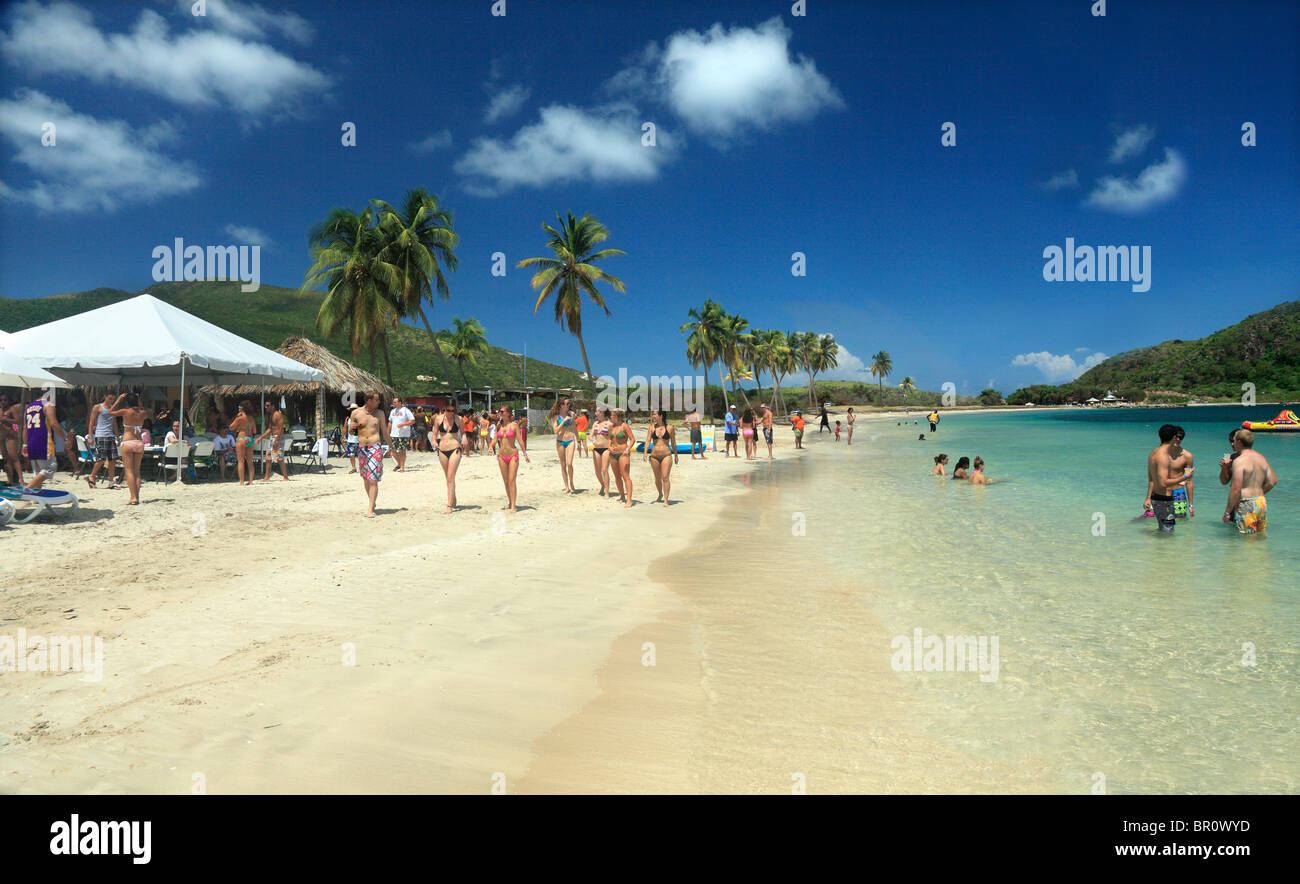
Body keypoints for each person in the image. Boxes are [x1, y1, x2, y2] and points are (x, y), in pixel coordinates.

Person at [1222, 429, 1278, 535]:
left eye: (1234, 440)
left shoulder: (1240, 461)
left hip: (1246, 503)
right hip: (1261, 502)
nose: (1232, 443)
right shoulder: (1261, 458)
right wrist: (1257, 494)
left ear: (1239, 442)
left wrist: (1227, 512)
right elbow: (1272, 481)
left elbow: (1236, 489)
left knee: (1246, 541)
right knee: (1260, 537)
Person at [1144, 424, 1193, 533]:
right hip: (1164, 500)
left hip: (1157, 498)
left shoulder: (1153, 452)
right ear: (1174, 437)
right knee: (1167, 533)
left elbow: (1152, 478)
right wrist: (1185, 477)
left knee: (1163, 530)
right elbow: (1163, 482)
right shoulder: (1164, 456)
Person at [352, 392, 392, 518]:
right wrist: (351, 428)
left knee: (373, 479)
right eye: (377, 400)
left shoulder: (379, 413)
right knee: (365, 478)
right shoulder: (356, 413)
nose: (379, 402)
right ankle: (372, 502)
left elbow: (384, 430)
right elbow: (351, 432)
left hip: (375, 446)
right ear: (369, 400)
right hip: (362, 447)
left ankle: (370, 509)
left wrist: (391, 446)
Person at [109, 393, 149, 505]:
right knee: (137, 471)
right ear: (137, 402)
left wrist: (118, 400)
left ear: (126, 403)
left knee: (129, 471)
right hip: (139, 443)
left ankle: (133, 497)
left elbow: (110, 412)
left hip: (128, 442)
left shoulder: (125, 412)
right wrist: (138, 400)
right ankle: (136, 497)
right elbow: (140, 407)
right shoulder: (143, 413)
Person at [22, 392, 68, 491]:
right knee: (50, 468)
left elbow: (25, 428)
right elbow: (54, 424)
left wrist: (24, 444)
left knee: (37, 472)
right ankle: (26, 490)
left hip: (31, 442)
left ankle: (36, 496)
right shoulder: (48, 405)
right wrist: (65, 438)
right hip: (43, 442)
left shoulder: (28, 407)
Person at [494, 406, 529, 513]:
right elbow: (495, 439)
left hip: (513, 455)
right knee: (505, 481)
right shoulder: (499, 425)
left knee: (511, 480)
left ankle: (513, 505)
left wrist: (525, 454)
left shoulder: (514, 425)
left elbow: (520, 440)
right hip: (501, 456)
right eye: (499, 411)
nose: (500, 413)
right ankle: (510, 502)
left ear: (508, 413)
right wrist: (491, 446)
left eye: (502, 411)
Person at [86, 391, 123, 489]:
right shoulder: (97, 407)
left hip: (110, 436)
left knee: (112, 460)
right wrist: (90, 436)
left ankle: (111, 482)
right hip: (100, 435)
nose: (111, 400)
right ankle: (92, 476)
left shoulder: (113, 408)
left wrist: (117, 436)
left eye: (113, 399)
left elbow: (114, 423)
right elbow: (91, 422)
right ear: (105, 396)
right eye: (110, 398)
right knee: (101, 459)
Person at [643, 409, 678, 507]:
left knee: (665, 477)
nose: (653, 416)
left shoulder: (670, 428)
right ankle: (660, 494)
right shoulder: (651, 428)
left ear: (661, 416)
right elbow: (647, 441)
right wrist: (645, 453)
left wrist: (676, 455)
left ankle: (666, 500)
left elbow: (674, 443)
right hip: (654, 456)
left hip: (666, 455)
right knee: (657, 478)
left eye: (654, 414)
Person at [433, 403, 462, 514]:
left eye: (452, 410)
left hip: (455, 449)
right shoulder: (438, 419)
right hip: (442, 450)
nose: (450, 413)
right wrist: (434, 441)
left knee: (450, 477)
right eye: (448, 410)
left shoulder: (459, 419)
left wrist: (463, 439)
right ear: (444, 409)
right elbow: (434, 434)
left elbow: (463, 433)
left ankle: (449, 505)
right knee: (448, 478)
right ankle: (453, 498)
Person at [550, 398, 578, 493]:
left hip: (570, 440)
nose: (568, 405)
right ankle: (566, 486)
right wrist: (564, 421)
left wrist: (578, 439)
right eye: (566, 403)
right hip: (560, 441)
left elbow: (574, 426)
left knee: (569, 463)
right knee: (563, 464)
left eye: (569, 403)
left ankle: (571, 482)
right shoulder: (556, 417)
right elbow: (555, 431)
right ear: (561, 405)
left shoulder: (572, 414)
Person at [256, 402, 289, 482]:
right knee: (268, 458)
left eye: (267, 405)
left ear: (273, 406)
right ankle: (267, 477)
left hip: (278, 438)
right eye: (265, 405)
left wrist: (276, 440)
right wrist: (261, 437)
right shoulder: (271, 415)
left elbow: (281, 428)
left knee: (279, 458)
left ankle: (285, 477)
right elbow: (270, 429)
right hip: (272, 438)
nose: (265, 407)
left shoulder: (277, 414)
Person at [229, 400, 258, 486]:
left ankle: (241, 481)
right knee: (250, 461)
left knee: (241, 461)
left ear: (242, 408)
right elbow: (255, 431)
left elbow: (231, 428)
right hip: (249, 439)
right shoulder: (251, 418)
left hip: (241, 439)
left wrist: (236, 418)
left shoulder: (240, 418)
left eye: (239, 407)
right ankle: (251, 481)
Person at [609, 409, 634, 507]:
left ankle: (629, 499)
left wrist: (627, 449)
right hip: (613, 454)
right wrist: (609, 446)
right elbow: (610, 439)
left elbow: (632, 439)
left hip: (623, 453)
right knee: (617, 477)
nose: (610, 417)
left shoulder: (624, 426)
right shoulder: (612, 426)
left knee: (626, 476)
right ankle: (622, 496)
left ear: (616, 416)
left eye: (612, 415)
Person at [590, 408, 614, 497]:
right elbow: (591, 436)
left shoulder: (609, 424)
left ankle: (607, 492)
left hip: (606, 449)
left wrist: (611, 446)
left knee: (604, 469)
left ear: (603, 412)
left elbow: (613, 437)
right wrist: (592, 441)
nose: (596, 413)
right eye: (596, 411)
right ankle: (603, 485)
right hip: (596, 449)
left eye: (599, 411)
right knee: (597, 471)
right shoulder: (595, 423)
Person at [388, 397, 414, 472]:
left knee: (402, 451)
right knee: (392, 450)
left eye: (395, 402)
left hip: (403, 434)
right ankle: (399, 464)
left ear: (400, 403)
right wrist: (388, 432)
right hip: (393, 434)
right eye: (393, 402)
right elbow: (390, 422)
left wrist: (403, 424)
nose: (394, 403)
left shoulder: (406, 410)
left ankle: (402, 467)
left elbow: (412, 421)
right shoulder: (392, 411)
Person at [0, 393, 21, 486]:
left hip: (10, 435)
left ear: (8, 401)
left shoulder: (11, 409)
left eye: (5, 400)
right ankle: (10, 480)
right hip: (2, 436)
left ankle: (21, 480)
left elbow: (18, 421)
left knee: (14, 458)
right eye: (1, 400)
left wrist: (5, 420)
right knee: (6, 459)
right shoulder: (0, 410)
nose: (3, 402)